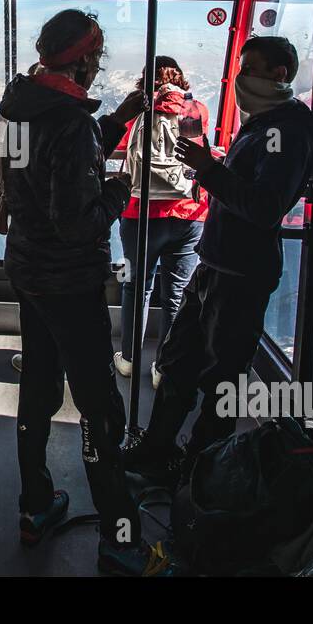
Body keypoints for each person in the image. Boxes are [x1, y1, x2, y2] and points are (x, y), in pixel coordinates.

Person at [0, 8, 171, 576]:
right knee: (101, 410)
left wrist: (120, 118)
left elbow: (57, 160)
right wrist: (119, 189)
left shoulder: (19, 105)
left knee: (40, 390)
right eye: (97, 57)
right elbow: (77, 218)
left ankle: (35, 506)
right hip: (70, 282)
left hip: (29, 272)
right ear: (85, 60)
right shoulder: (70, 123)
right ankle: (121, 538)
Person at [124, 35, 313, 486]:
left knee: (219, 376)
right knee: (178, 360)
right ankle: (160, 449)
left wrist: (210, 171)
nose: (240, 78)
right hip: (216, 261)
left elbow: (266, 207)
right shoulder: (265, 122)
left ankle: (200, 468)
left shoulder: (286, 131)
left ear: (278, 75)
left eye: (249, 68)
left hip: (240, 272)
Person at [114, 56, 212, 387]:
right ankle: (164, 367)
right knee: (177, 294)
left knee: (135, 287)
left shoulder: (137, 111)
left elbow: (120, 145)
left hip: (141, 214)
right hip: (188, 214)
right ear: (180, 79)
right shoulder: (195, 109)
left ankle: (128, 359)